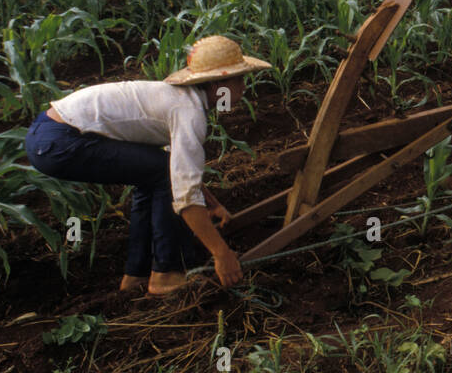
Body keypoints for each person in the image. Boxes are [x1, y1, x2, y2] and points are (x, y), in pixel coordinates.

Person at [24, 35, 269, 295]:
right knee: (161, 175)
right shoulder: (188, 112)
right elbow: (183, 193)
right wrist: (222, 254)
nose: (243, 89)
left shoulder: (183, 101)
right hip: (61, 141)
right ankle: (165, 274)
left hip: (48, 136)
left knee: (153, 173)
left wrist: (212, 204)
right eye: (239, 80)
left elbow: (178, 170)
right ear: (219, 85)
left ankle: (136, 275)